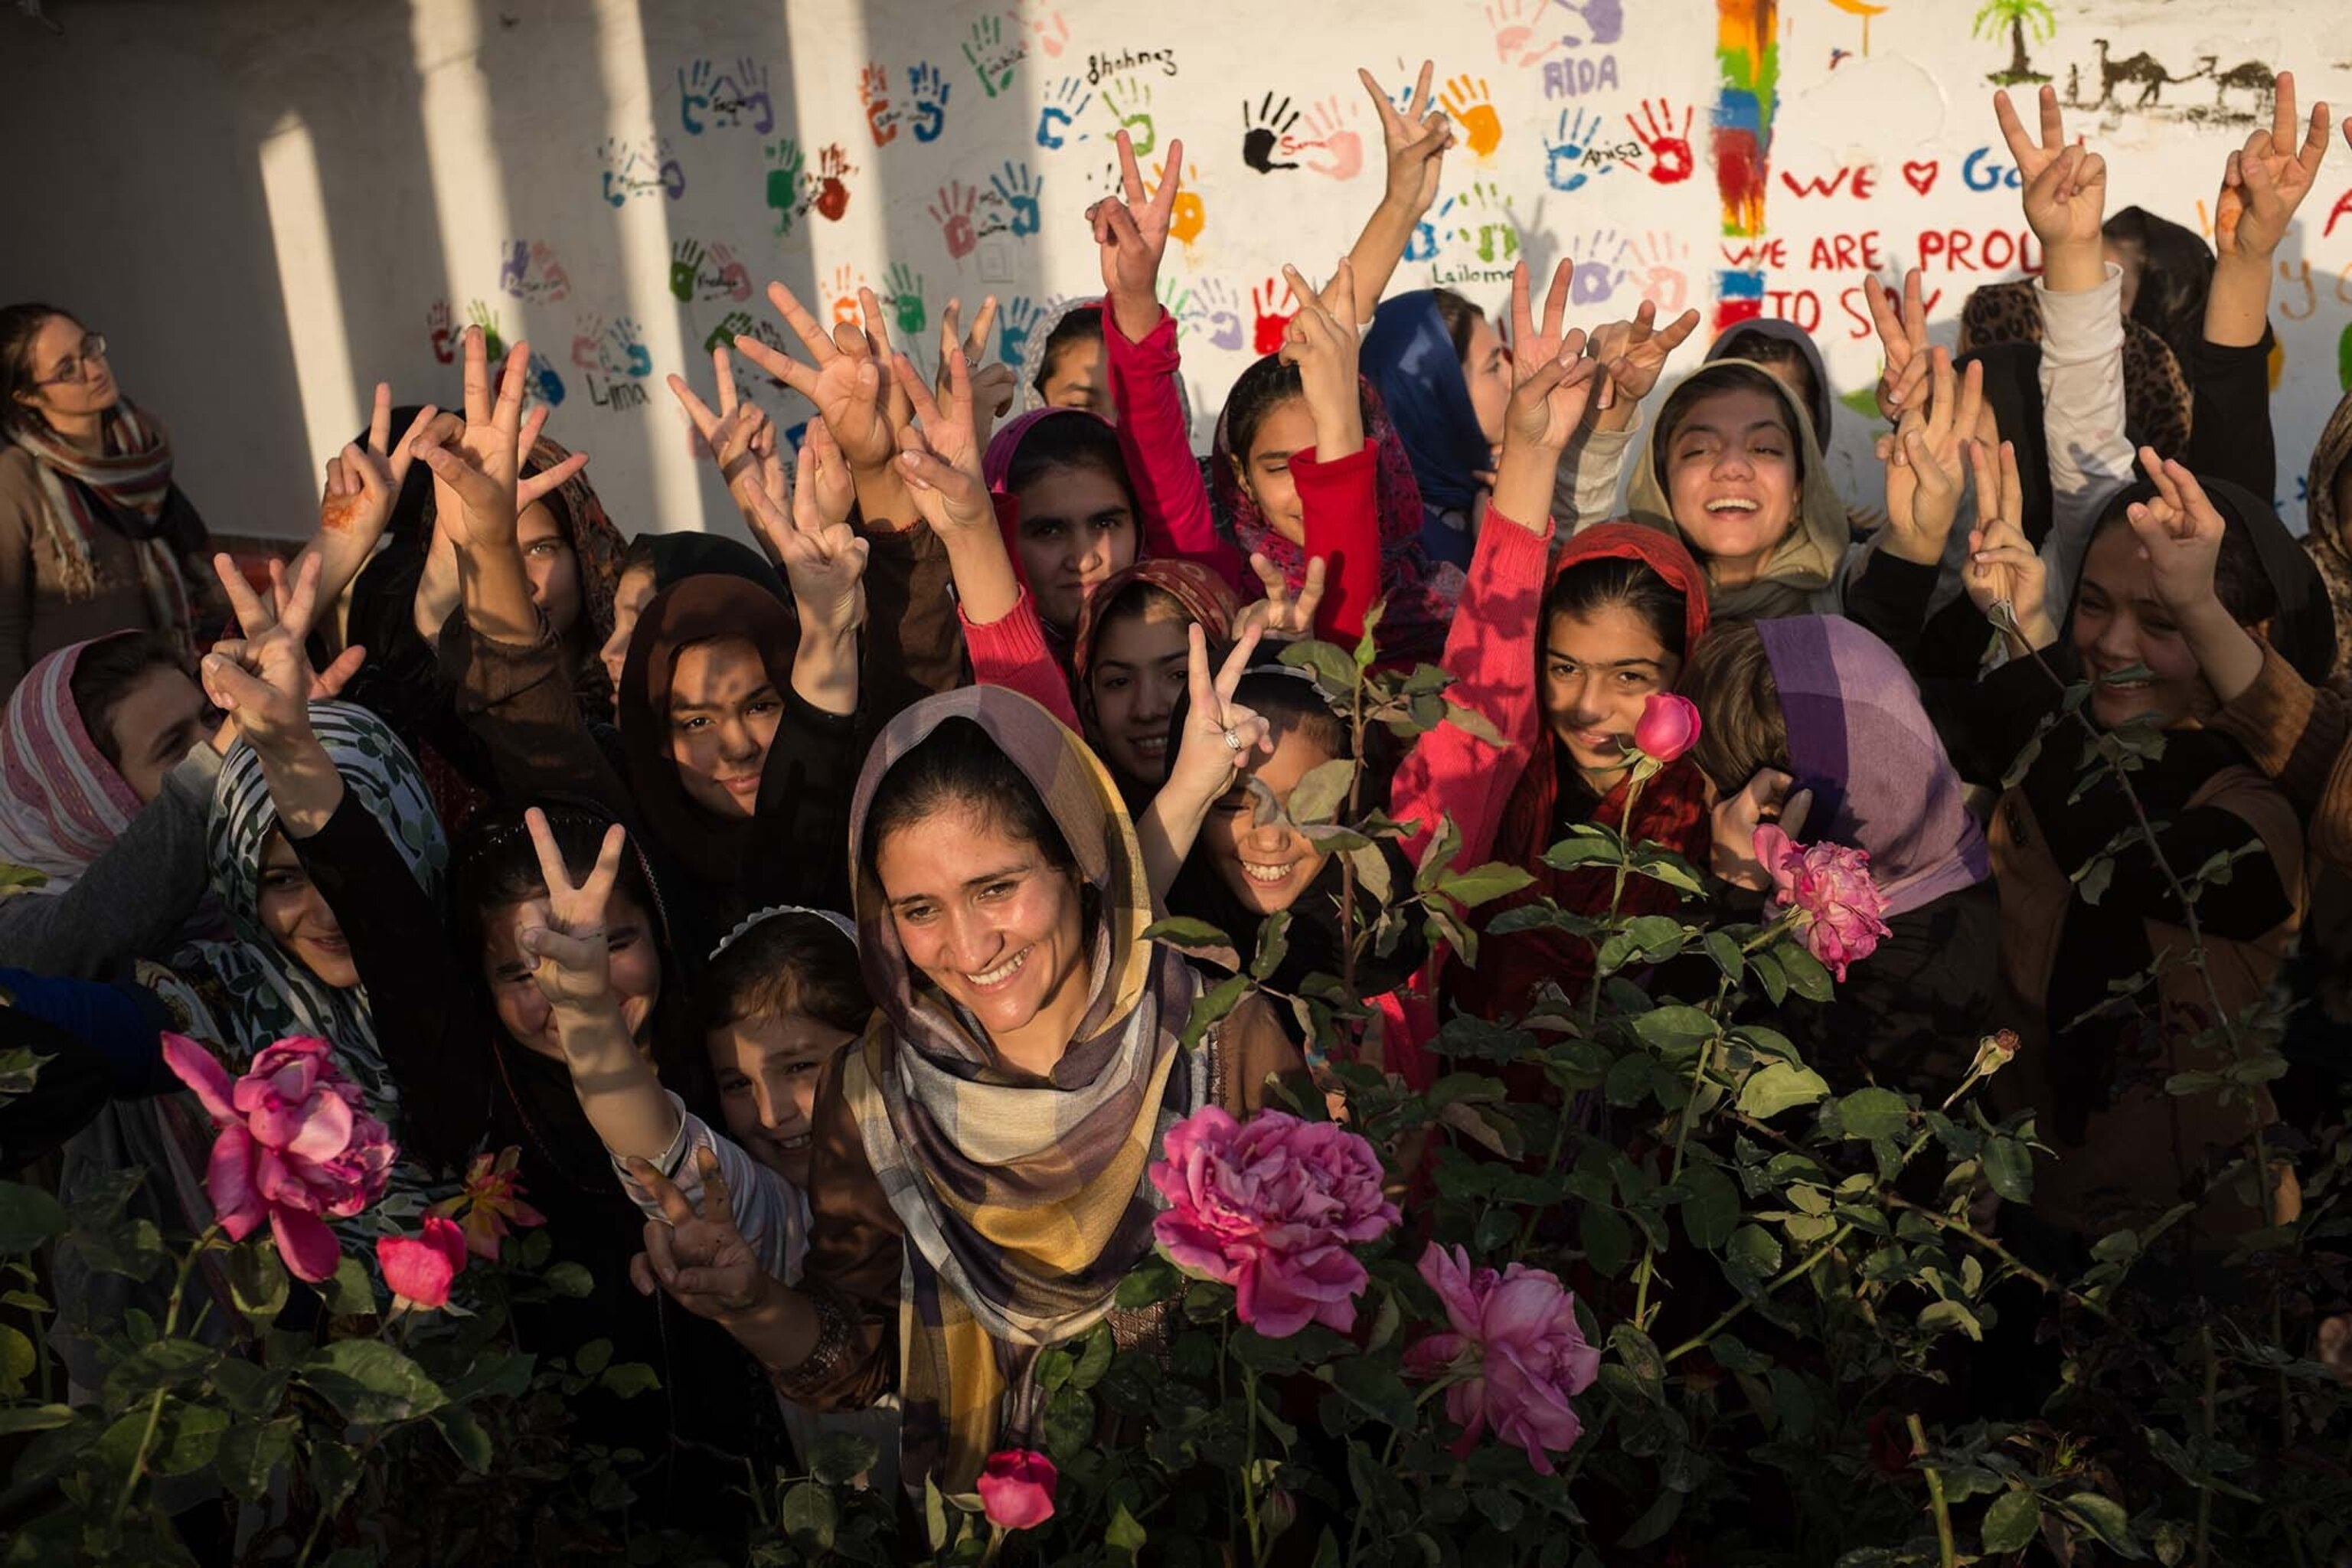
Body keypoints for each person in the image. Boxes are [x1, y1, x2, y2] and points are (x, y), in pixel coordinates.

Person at [618, 685, 1309, 1495]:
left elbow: (1312, 1336)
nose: (969, 945)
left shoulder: (1221, 1035)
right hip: (979, 1528)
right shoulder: (875, 1088)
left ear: (1079, 861)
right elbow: (859, 1352)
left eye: (995, 887)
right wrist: (750, 1302)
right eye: (920, 908)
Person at [1681, 616, 2001, 1095]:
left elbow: (1705, 1082)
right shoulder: (1935, 851)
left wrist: (1737, 889)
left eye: (1705, 785)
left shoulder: (1924, 972)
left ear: (1773, 809)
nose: (1701, 804)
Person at [0, 303, 214, 696]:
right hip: (75, 698)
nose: (94, 369)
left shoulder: (142, 443)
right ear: (26, 395)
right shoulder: (16, 478)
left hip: (160, 679)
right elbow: (5, 621)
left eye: (89, 349)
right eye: (67, 369)